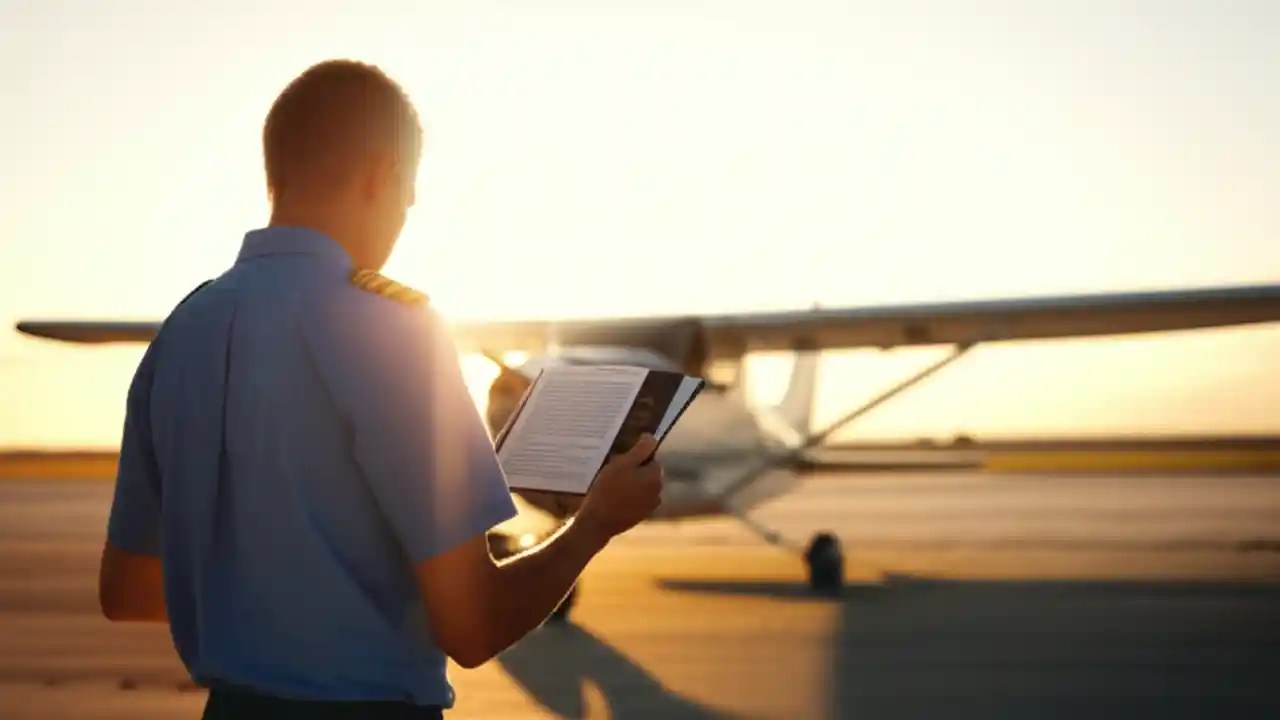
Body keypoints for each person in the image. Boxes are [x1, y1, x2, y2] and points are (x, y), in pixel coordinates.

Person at [96, 59, 664, 719]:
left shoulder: (182, 330)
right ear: (380, 175)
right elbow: (475, 627)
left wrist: (281, 583)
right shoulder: (395, 330)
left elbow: (127, 590)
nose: (408, 209)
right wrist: (595, 522)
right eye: (409, 189)